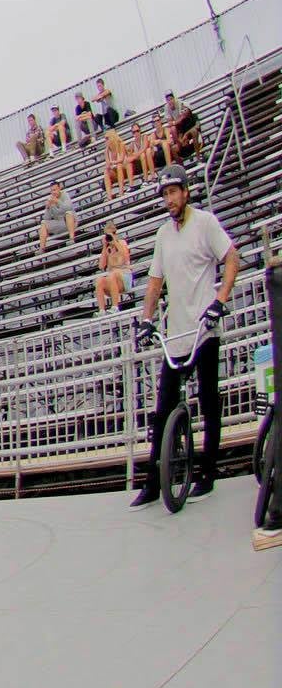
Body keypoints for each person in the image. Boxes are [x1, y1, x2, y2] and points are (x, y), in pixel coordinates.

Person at [132, 165, 238, 507]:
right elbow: (154, 283)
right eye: (164, 194)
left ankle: (208, 472)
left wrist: (220, 301)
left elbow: (231, 258)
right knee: (163, 408)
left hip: (204, 329)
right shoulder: (164, 234)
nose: (169, 199)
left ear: (186, 192)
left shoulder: (205, 223)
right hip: (176, 334)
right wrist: (146, 320)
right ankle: (151, 481)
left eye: (173, 192)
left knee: (208, 400)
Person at [93, 226, 133, 312]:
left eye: (112, 234)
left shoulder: (122, 243)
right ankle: (102, 310)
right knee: (99, 280)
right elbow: (101, 266)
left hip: (124, 277)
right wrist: (104, 247)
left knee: (112, 275)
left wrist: (115, 242)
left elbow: (125, 258)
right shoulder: (107, 248)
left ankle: (115, 306)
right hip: (113, 280)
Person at [37, 180, 76, 253]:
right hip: (59, 223)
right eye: (52, 190)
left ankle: (71, 239)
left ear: (59, 188)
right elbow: (46, 218)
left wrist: (58, 201)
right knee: (43, 223)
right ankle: (42, 248)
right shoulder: (50, 199)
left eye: (54, 190)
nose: (53, 192)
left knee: (68, 213)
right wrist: (47, 208)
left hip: (71, 221)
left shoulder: (65, 195)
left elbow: (68, 208)